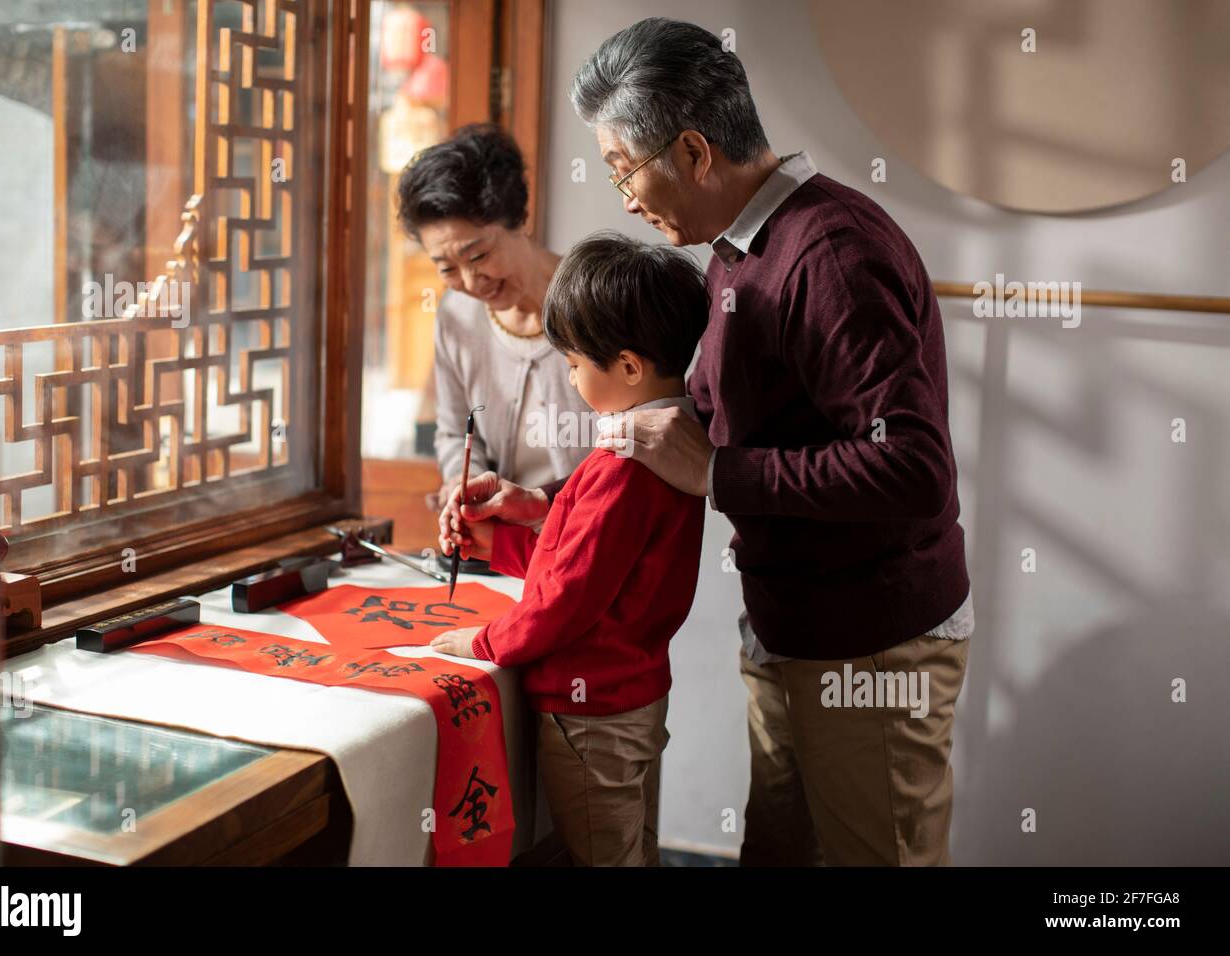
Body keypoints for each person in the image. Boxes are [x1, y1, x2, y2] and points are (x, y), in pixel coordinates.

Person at [441, 17, 973, 866]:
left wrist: (721, 471)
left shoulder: (830, 255)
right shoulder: (732, 250)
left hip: (869, 642)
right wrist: (543, 506)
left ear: (692, 153)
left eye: (623, 169)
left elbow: (912, 469)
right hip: (791, 629)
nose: (622, 197)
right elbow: (684, 430)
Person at [431, 232, 708, 866]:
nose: (570, 376)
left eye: (576, 363)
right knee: (635, 846)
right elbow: (591, 564)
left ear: (630, 368)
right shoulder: (668, 440)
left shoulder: (623, 465)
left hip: (591, 710)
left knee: (599, 857)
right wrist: (499, 540)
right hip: (632, 694)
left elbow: (569, 598)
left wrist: (483, 642)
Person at [397, 124, 590, 507]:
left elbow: (636, 443)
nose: (471, 282)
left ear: (520, 219)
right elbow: (453, 432)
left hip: (591, 540)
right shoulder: (457, 317)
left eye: (479, 256)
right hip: (502, 546)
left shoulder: (600, 301)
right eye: (447, 268)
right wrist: (461, 482)